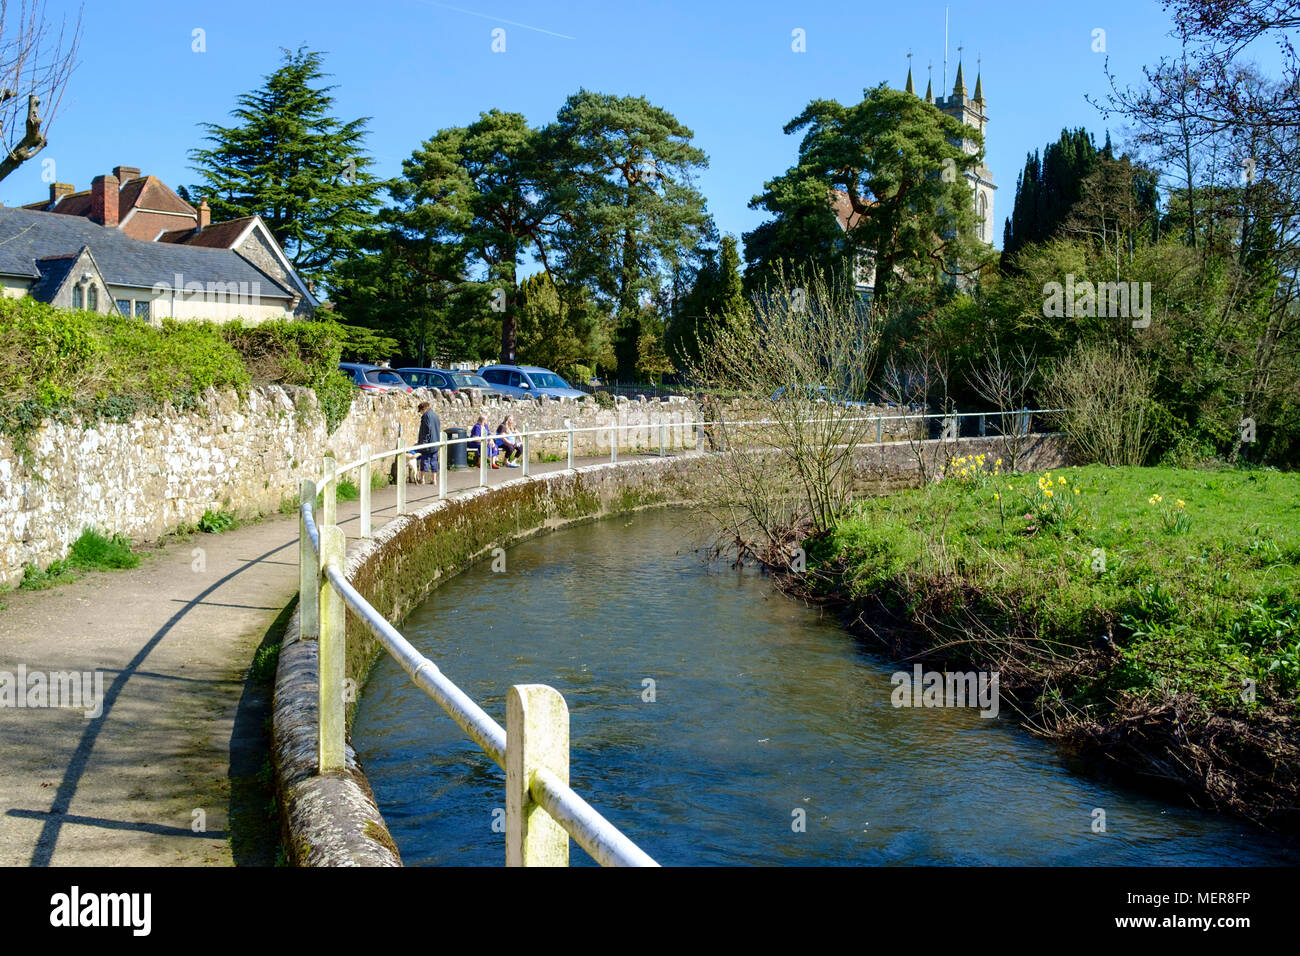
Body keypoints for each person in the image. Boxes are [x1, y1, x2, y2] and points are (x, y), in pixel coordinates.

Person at [416, 401, 442, 482]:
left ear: (423, 409)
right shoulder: (435, 415)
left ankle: (422, 478)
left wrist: (424, 442)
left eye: (420, 411)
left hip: (428, 443)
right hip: (435, 442)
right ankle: (434, 479)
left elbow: (427, 430)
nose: (421, 413)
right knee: (434, 461)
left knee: (425, 460)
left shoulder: (426, 416)